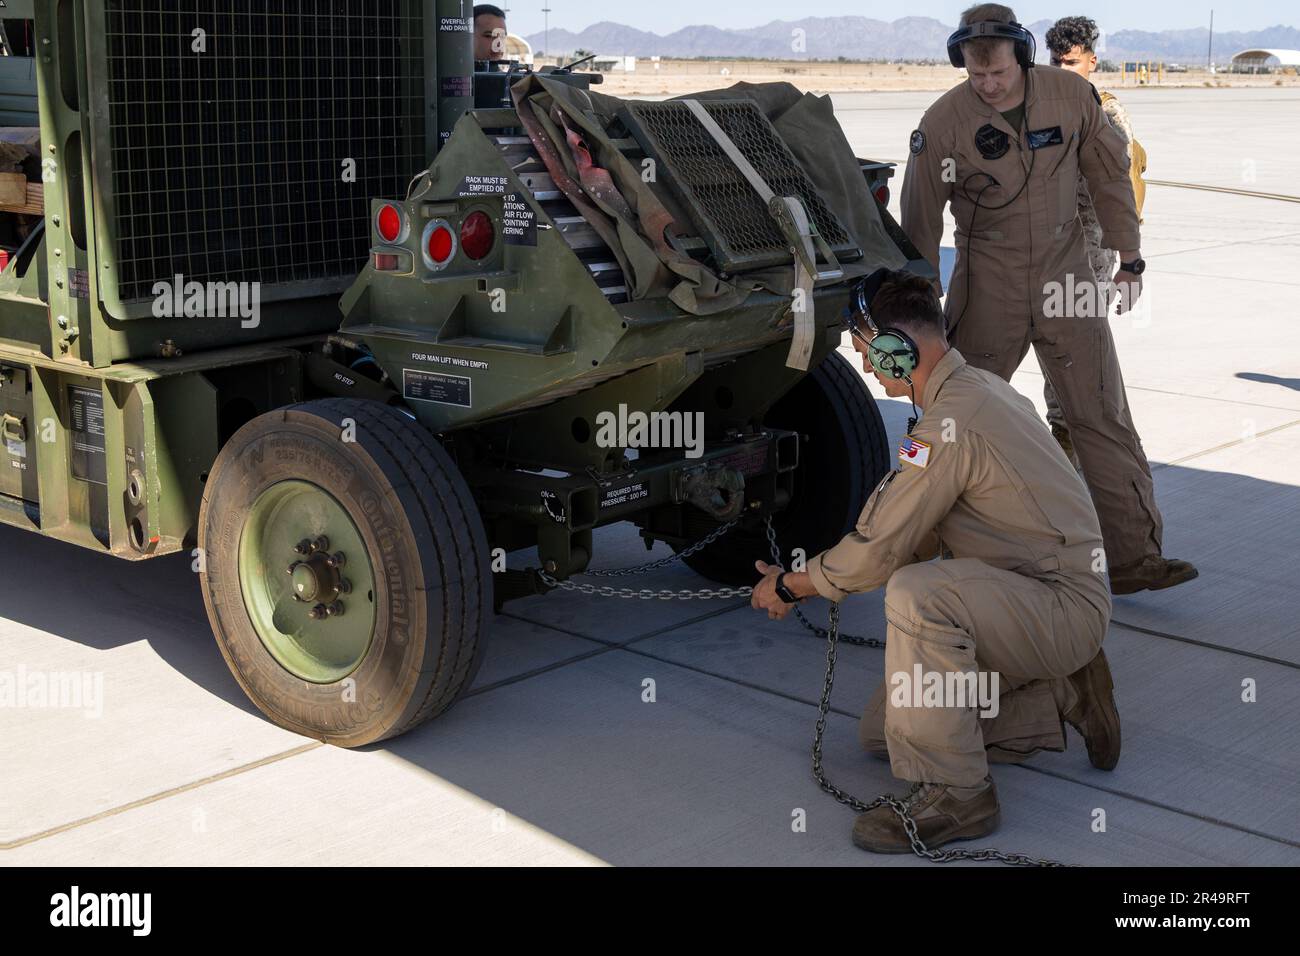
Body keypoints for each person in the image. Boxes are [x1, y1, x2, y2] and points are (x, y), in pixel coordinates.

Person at [750, 271, 1121, 853]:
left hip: (1057, 603)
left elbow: (880, 551)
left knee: (918, 595)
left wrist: (793, 586)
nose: (868, 367)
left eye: (869, 351)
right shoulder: (969, 391)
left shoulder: (954, 420)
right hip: (1027, 595)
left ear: (900, 347)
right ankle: (1064, 696)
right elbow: (910, 530)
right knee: (886, 734)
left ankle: (960, 794)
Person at [899, 3, 1196, 594]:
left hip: (1070, 281)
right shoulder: (942, 121)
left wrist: (1129, 257)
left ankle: (1134, 558)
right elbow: (919, 219)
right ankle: (915, 548)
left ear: (1021, 56)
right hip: (986, 286)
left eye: (999, 74)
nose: (988, 86)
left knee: (1102, 417)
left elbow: (1112, 178)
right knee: (950, 423)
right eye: (976, 76)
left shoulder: (1071, 98)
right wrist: (921, 303)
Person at [1039, 15, 1147, 460]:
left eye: (1071, 61)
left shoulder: (1107, 112)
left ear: (1091, 61)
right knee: (1052, 344)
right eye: (1056, 62)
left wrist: (1131, 261)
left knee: (1077, 352)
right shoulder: (1040, 106)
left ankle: (1075, 446)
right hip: (1045, 250)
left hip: (1090, 256)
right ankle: (1062, 440)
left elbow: (1117, 187)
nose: (1063, 69)